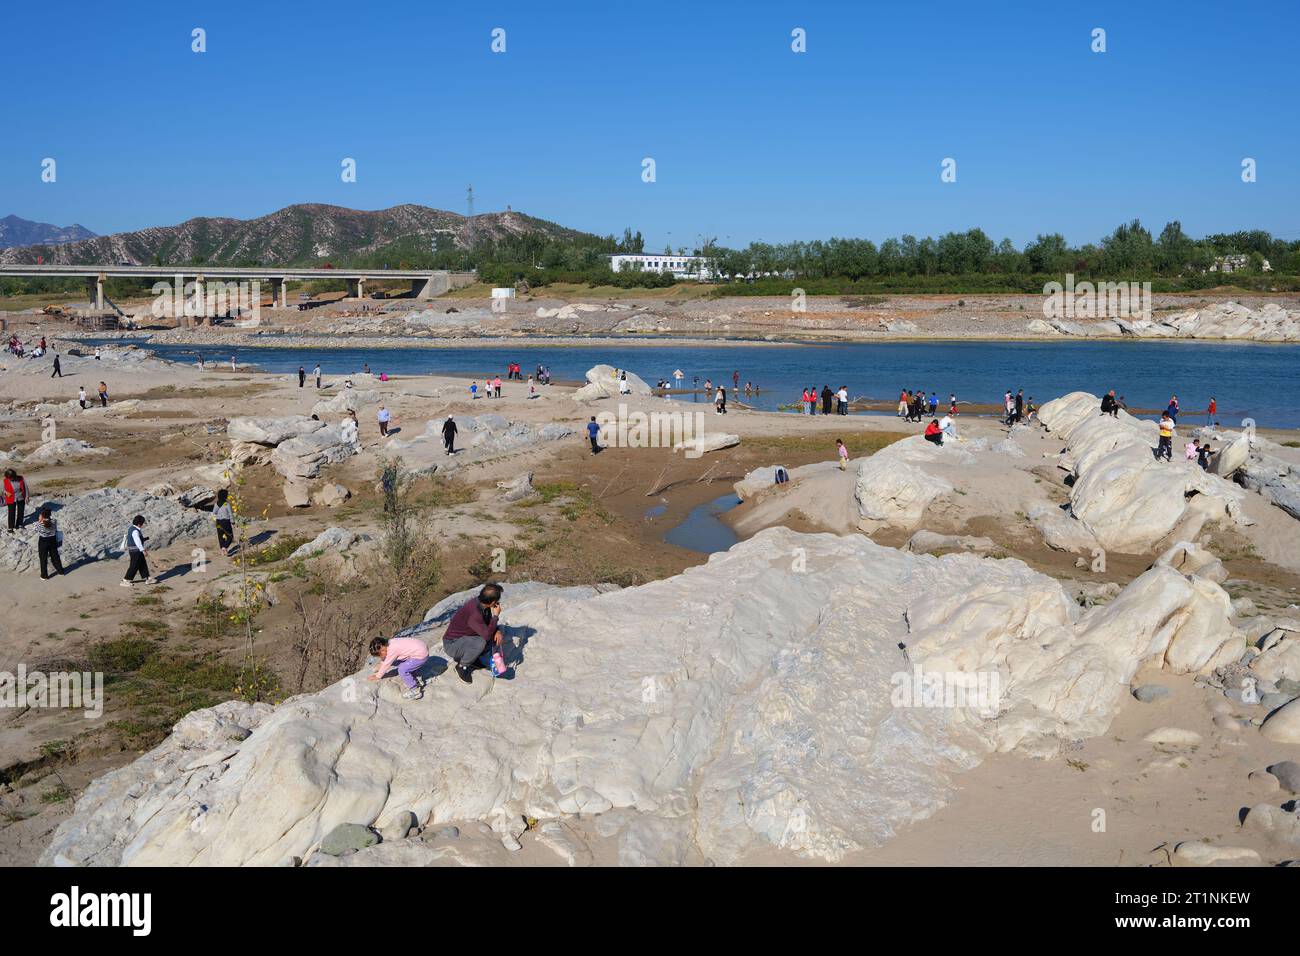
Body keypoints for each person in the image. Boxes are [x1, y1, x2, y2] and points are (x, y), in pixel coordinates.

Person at [442, 583, 505, 684]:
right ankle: (462, 666)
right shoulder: (474, 613)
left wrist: (497, 630)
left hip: (465, 639)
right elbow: (487, 635)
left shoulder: (482, 604)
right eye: (497, 601)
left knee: (494, 637)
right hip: (452, 645)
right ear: (493, 602)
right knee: (481, 642)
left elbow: (487, 624)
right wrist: (496, 616)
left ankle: (473, 659)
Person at [368, 635, 429, 701]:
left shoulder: (392, 650)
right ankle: (416, 679)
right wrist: (380, 665)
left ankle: (415, 690)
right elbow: (387, 660)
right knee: (402, 664)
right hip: (420, 649)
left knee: (402, 670)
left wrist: (378, 676)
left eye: (379, 655)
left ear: (382, 649)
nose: (380, 657)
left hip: (420, 655)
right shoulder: (390, 643)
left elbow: (387, 664)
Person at [121, 514, 152, 586]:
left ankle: (148, 578)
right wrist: (143, 550)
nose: (142, 525)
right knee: (134, 566)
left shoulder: (131, 528)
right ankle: (125, 580)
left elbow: (137, 540)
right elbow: (137, 542)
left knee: (142, 564)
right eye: (142, 523)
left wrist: (144, 539)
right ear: (139, 524)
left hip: (134, 550)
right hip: (136, 551)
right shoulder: (135, 531)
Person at [36, 507, 64, 579]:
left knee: (43, 558)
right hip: (52, 540)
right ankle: (60, 571)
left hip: (43, 541)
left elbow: (37, 530)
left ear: (42, 515)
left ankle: (44, 575)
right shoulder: (54, 521)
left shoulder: (39, 524)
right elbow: (52, 526)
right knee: (55, 556)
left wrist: (40, 520)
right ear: (50, 514)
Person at [213, 488, 234, 555]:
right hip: (226, 522)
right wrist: (233, 522)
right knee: (230, 536)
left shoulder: (216, 504)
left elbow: (214, 513)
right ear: (225, 496)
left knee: (220, 536)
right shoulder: (226, 504)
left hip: (218, 522)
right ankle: (224, 547)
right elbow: (230, 514)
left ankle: (223, 550)